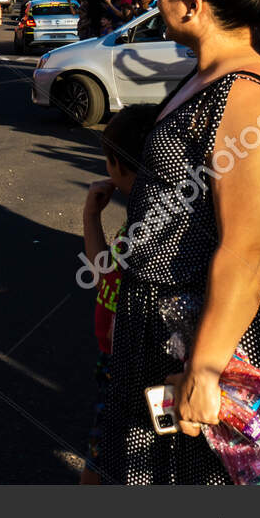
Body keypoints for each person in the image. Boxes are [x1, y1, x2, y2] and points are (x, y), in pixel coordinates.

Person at [94, 0, 260, 485]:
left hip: (215, 336)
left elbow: (247, 247)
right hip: (167, 324)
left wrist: (206, 368)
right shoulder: (208, 76)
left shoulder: (245, 94)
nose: (156, 1)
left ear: (192, 2)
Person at [79, 102, 157, 485]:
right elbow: (104, 274)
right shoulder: (145, 214)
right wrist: (91, 217)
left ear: (119, 166)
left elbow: (101, 276)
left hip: (129, 362)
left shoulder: (148, 224)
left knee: (105, 455)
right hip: (124, 357)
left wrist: (90, 216)